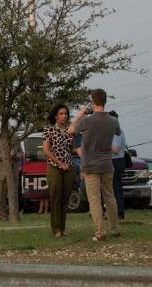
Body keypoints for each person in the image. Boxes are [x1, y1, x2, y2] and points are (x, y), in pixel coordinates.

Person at [70, 89, 121, 242]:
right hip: (107, 164)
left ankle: (99, 232)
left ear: (93, 102)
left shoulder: (87, 121)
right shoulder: (113, 120)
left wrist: (79, 115)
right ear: (105, 101)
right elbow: (118, 133)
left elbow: (70, 130)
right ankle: (115, 227)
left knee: (94, 199)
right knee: (110, 197)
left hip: (90, 165)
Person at [42, 104, 75, 238]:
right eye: (61, 113)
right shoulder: (48, 130)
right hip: (54, 167)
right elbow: (46, 150)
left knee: (65, 198)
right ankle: (56, 229)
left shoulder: (69, 130)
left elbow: (72, 148)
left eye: (66, 114)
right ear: (55, 116)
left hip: (69, 167)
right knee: (56, 197)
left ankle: (63, 227)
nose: (64, 116)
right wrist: (60, 163)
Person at [0, 131, 20, 223]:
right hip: (1, 170)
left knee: (14, 193)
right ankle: (2, 215)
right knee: (1, 194)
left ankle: (14, 214)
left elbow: (19, 153)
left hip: (13, 170)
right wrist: (5, 156)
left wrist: (14, 155)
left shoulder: (15, 137)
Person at [108, 111, 127, 221]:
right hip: (119, 161)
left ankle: (119, 212)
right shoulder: (121, 132)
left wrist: (104, 146)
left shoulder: (116, 132)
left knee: (115, 189)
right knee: (116, 188)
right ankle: (118, 212)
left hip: (115, 161)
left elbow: (115, 149)